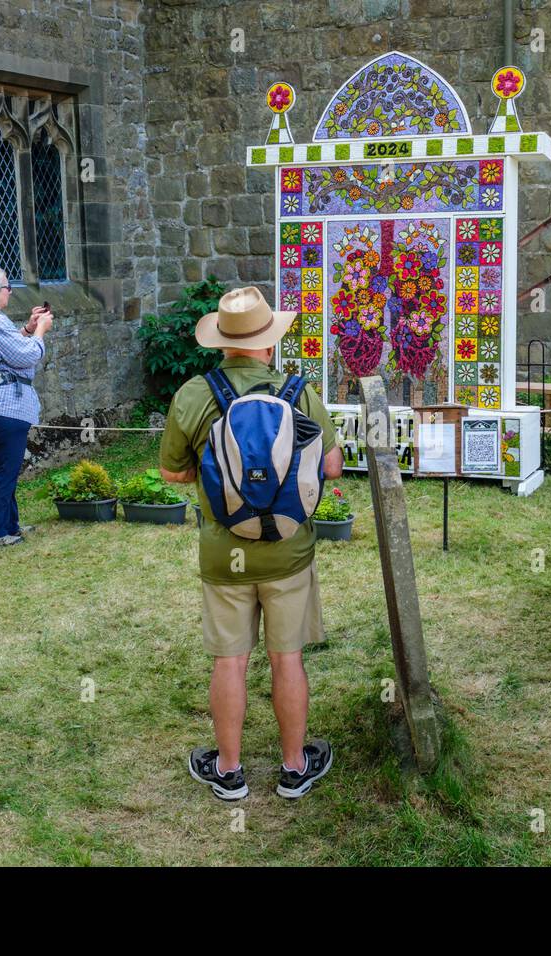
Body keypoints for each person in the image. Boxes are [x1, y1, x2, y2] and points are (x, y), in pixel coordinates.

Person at [159, 286, 344, 801]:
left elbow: (172, 473)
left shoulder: (195, 394)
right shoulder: (299, 392)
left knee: (230, 662)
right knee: (287, 659)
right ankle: (293, 768)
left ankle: (230, 771)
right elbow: (331, 466)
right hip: (288, 552)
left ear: (222, 343)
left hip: (224, 553)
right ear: (269, 342)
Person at [0, 266, 52, 547]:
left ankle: (9, 525)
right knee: (4, 470)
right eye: (6, 287)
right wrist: (40, 331)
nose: (10, 292)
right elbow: (27, 357)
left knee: (4, 467)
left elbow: (3, 352)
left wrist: (27, 328)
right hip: (3, 407)